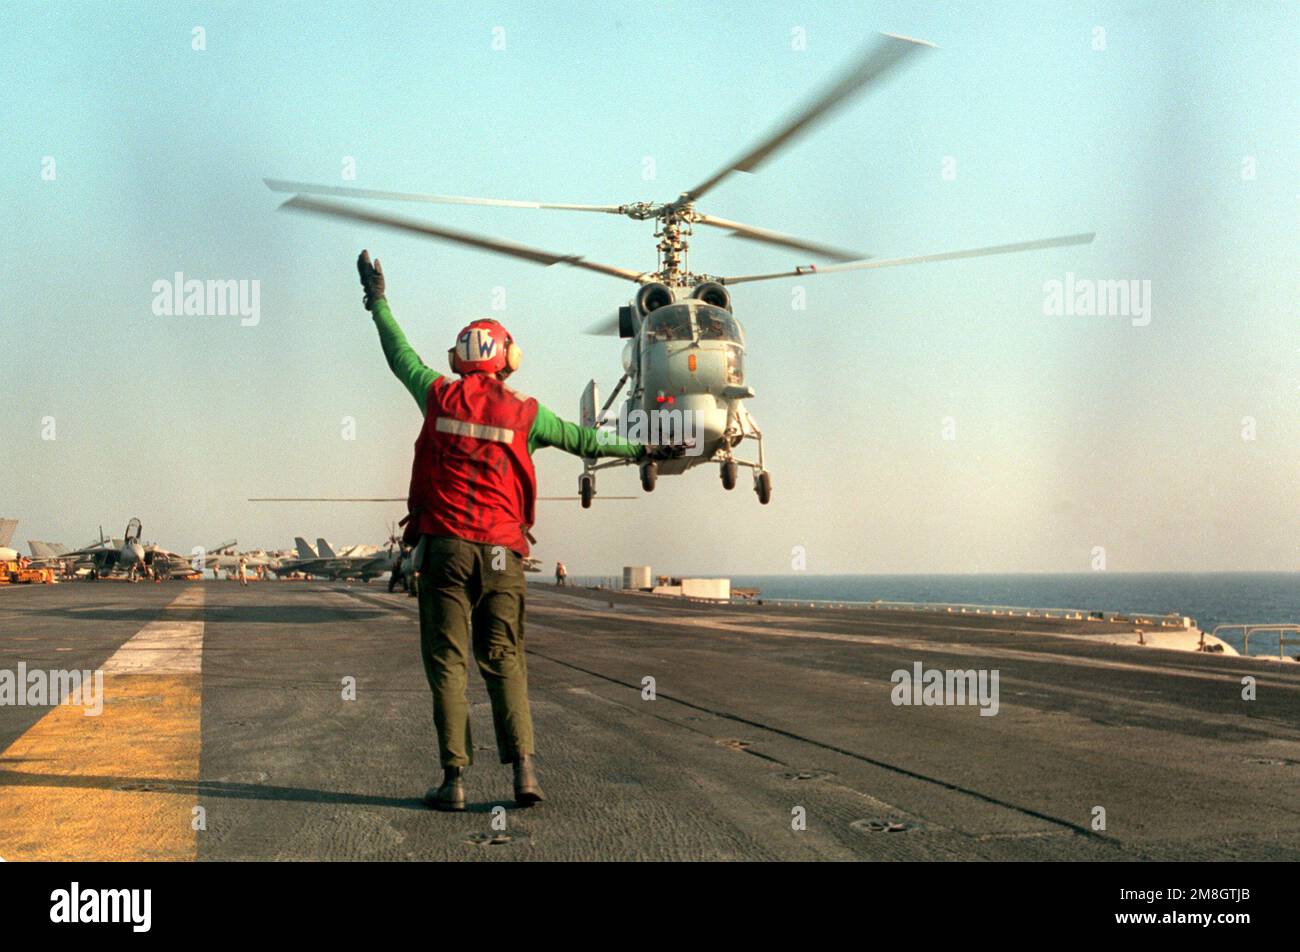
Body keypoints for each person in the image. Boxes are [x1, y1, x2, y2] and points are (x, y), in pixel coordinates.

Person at [357, 250, 674, 812]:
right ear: (509, 360)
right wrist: (644, 448)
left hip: (446, 549)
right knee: (503, 656)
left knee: (449, 663)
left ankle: (454, 781)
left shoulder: (435, 393)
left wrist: (378, 300)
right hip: (503, 553)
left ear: (459, 359)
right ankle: (524, 773)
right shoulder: (527, 412)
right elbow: (588, 440)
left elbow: (396, 353)